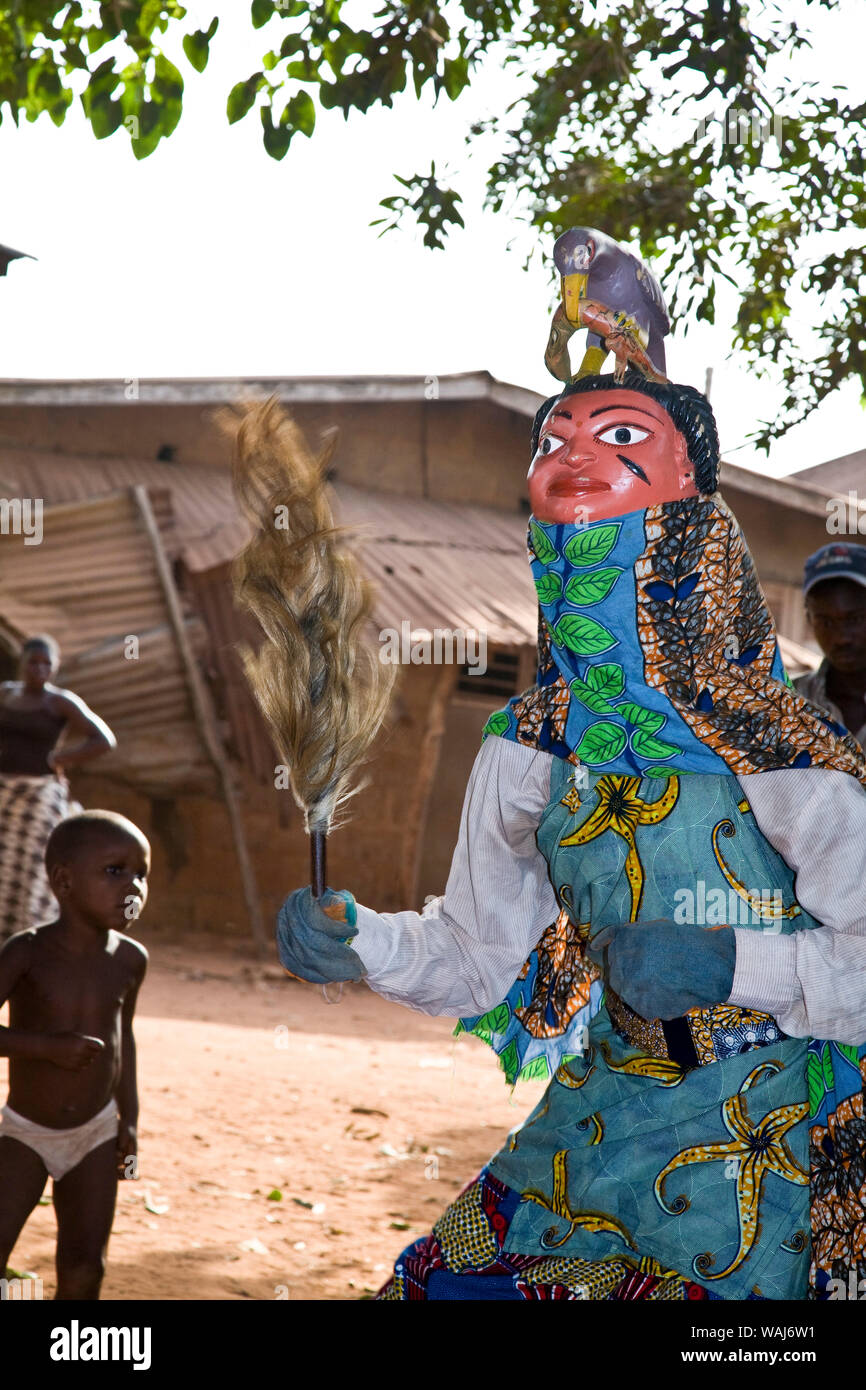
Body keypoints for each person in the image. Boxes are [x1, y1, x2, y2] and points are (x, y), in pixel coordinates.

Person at [276, 366, 866, 1302]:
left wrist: (730, 965)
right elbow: (479, 955)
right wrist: (365, 942)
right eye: (552, 441)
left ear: (693, 503)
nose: (573, 457)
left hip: (777, 1160)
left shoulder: (785, 744)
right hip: (593, 1128)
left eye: (622, 438)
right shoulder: (530, 744)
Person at [0, 810, 149, 1300]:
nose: (133, 887)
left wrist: (128, 1119)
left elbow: (123, 1038)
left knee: (86, 1268)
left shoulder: (130, 960)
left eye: (141, 874)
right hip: (25, 1130)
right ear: (63, 881)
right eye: (115, 871)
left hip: (96, 1132)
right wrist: (44, 1048)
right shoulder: (26, 953)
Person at [0, 634, 116, 941]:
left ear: (55, 667)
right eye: (33, 662)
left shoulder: (60, 702)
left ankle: (32, 937)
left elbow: (103, 740)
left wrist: (59, 758)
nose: (39, 669)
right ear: (21, 663)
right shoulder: (6, 695)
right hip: (5, 793)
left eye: (46, 663)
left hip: (40, 796)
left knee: (35, 868)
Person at [794, 542, 866, 749]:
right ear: (809, 620)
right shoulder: (788, 703)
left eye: (855, 619)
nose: (842, 638)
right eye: (826, 622)